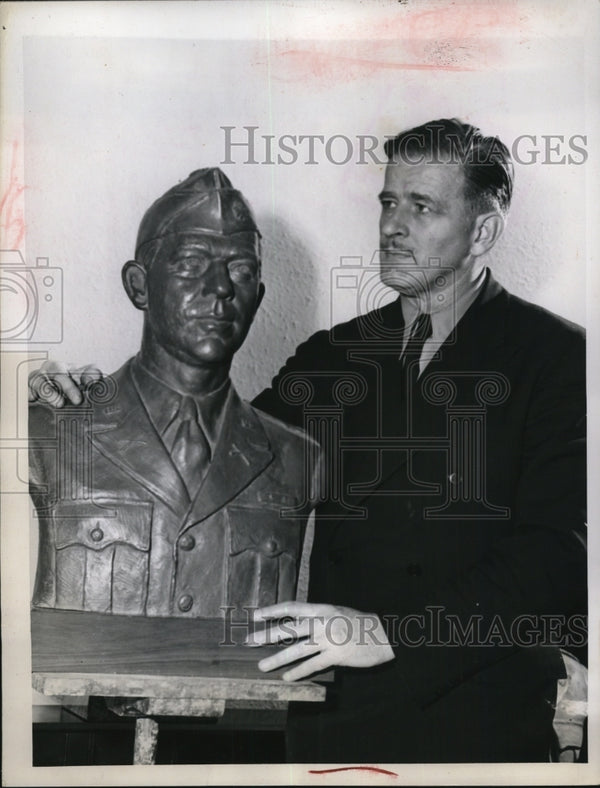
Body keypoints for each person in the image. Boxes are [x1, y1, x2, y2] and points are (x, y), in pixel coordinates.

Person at [30, 120, 586, 762]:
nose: (392, 226)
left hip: (481, 733)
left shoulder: (558, 358)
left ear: (483, 231)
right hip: (332, 725)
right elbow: (218, 462)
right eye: (388, 201)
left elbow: (561, 556)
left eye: (421, 205)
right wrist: (83, 406)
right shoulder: (332, 358)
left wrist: (393, 633)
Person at [28, 168, 319, 619]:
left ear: (257, 297)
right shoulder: (49, 429)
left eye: (241, 270)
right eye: (191, 263)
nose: (221, 288)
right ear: (139, 286)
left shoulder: (299, 459)